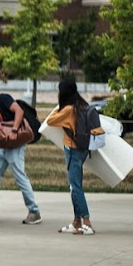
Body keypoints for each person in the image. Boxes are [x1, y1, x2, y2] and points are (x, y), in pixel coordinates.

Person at [0, 82, 42, 225]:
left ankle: (34, 211)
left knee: (20, 176)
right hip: (3, 147)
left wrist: (14, 130)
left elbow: (19, 111)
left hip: (15, 145)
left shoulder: (3, 98)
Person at [45, 79, 96, 235]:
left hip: (72, 150)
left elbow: (50, 120)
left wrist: (58, 106)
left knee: (75, 187)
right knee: (75, 186)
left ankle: (86, 222)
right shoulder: (81, 106)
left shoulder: (67, 110)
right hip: (81, 150)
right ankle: (76, 221)